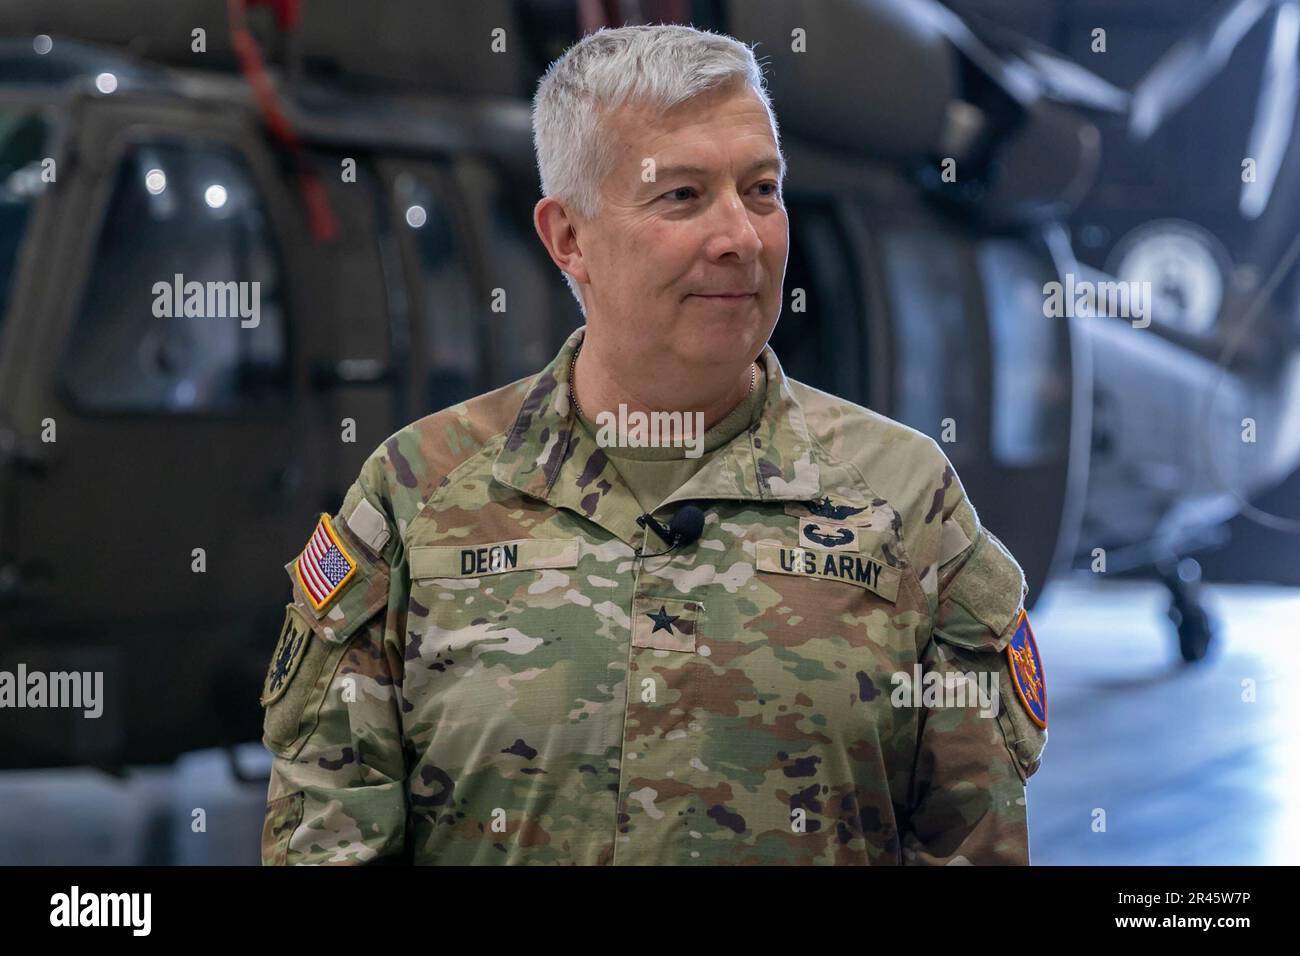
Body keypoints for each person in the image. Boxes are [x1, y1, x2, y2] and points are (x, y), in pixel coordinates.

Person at [258, 23, 1047, 866]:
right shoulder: (418, 494)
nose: (740, 236)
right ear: (568, 237)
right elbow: (326, 840)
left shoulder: (907, 499)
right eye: (681, 195)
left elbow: (973, 842)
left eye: (762, 190)